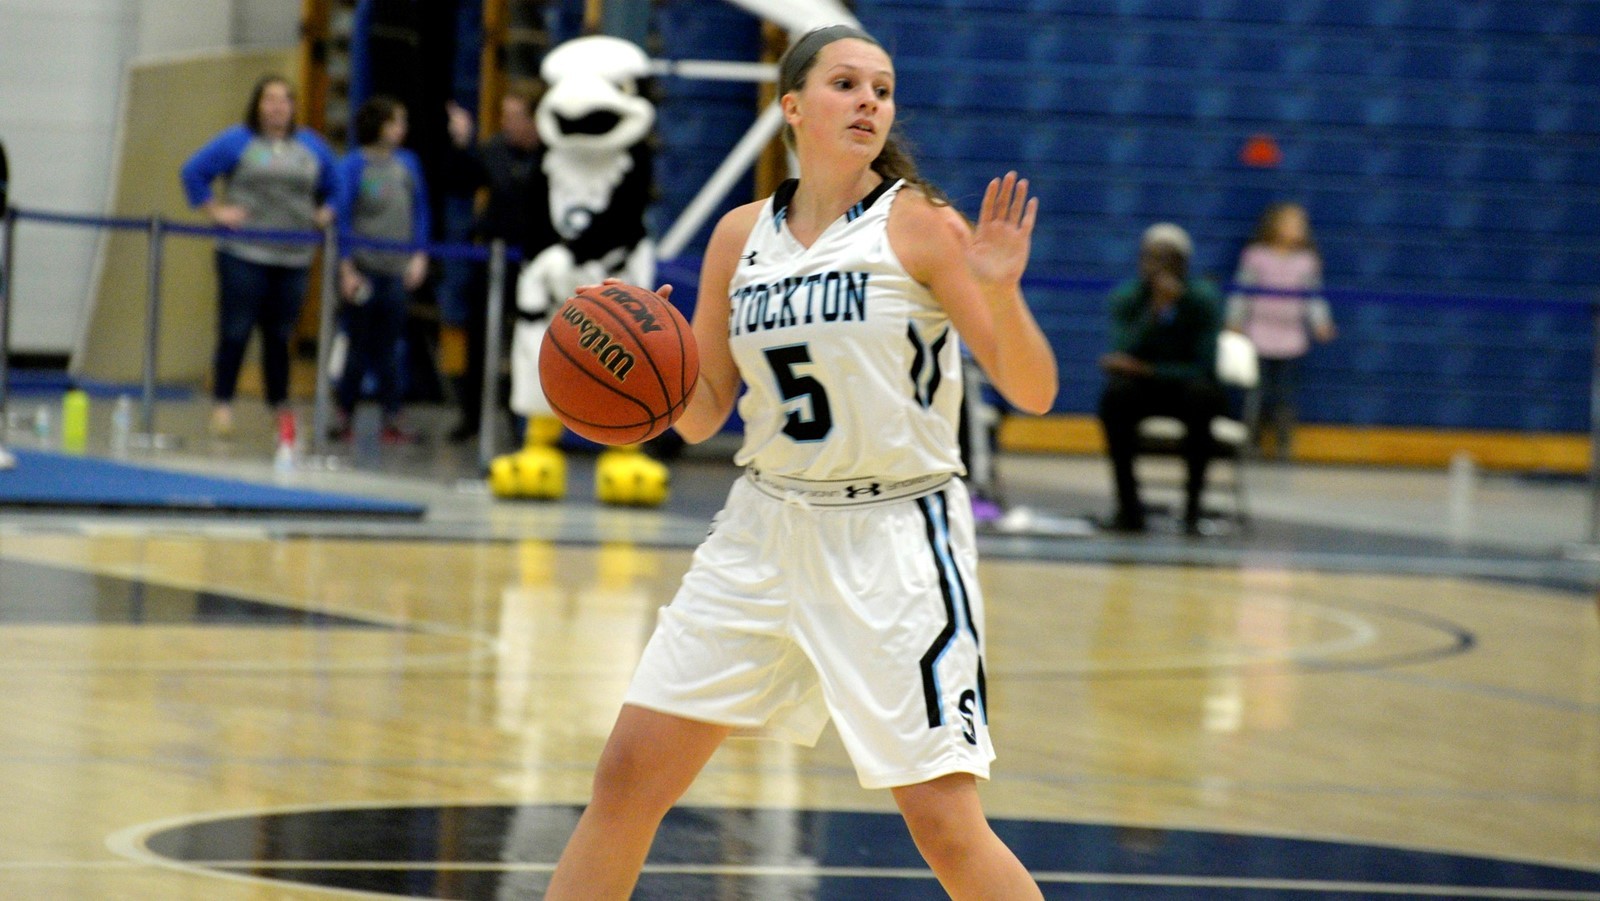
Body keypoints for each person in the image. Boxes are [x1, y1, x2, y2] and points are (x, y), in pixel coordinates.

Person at [542, 25, 1056, 901]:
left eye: (882, 90)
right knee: (626, 780)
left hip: (894, 534)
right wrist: (650, 375)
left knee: (943, 824)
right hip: (765, 524)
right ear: (793, 106)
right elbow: (703, 409)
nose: (868, 102)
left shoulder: (922, 225)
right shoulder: (741, 235)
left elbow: (1033, 388)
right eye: (847, 84)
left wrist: (1002, 294)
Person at [181, 74, 339, 439]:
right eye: (270, 100)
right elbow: (194, 171)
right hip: (243, 253)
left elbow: (337, 184)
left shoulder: (311, 146)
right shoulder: (238, 140)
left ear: (294, 107)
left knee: (279, 334)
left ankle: (279, 407)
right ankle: (222, 404)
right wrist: (215, 211)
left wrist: (327, 210)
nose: (277, 107)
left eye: (284, 100)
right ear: (257, 104)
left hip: (294, 256)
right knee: (235, 330)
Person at [1097, 222, 1226, 534]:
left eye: (1167, 259)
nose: (1157, 268)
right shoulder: (1129, 297)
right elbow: (1123, 349)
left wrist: (1151, 370)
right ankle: (1129, 510)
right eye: (1151, 258)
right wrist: (1155, 312)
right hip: (1142, 389)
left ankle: (1193, 510)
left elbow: (1206, 366)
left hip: (1186, 386)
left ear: (1183, 263)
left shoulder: (1203, 299)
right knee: (1115, 397)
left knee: (1203, 397)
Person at [439, 85, 543, 443]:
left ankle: (525, 422)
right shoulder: (495, 149)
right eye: (505, 116)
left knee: (530, 342)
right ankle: (472, 416)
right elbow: (461, 182)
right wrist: (460, 143)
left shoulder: (550, 155)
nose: (507, 123)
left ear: (534, 120)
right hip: (493, 259)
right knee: (481, 338)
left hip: (535, 263)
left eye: (515, 116)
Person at [330, 95, 430, 444]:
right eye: (396, 122)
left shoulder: (408, 164)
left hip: (396, 270)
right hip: (363, 269)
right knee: (357, 344)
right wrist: (346, 269)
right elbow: (342, 217)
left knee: (390, 347)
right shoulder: (353, 166)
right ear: (380, 126)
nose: (402, 129)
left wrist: (419, 255)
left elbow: (420, 211)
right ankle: (345, 412)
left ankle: (393, 414)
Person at [1225, 201, 1334, 459]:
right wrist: (1234, 320)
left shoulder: (1307, 261)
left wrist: (1320, 322)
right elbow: (1243, 290)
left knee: (1285, 396)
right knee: (1256, 394)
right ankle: (1250, 441)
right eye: (1292, 224)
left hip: (1291, 338)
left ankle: (1284, 445)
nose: (1299, 229)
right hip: (1258, 335)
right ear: (1274, 226)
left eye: (1301, 225)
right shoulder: (1256, 255)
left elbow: (1313, 296)